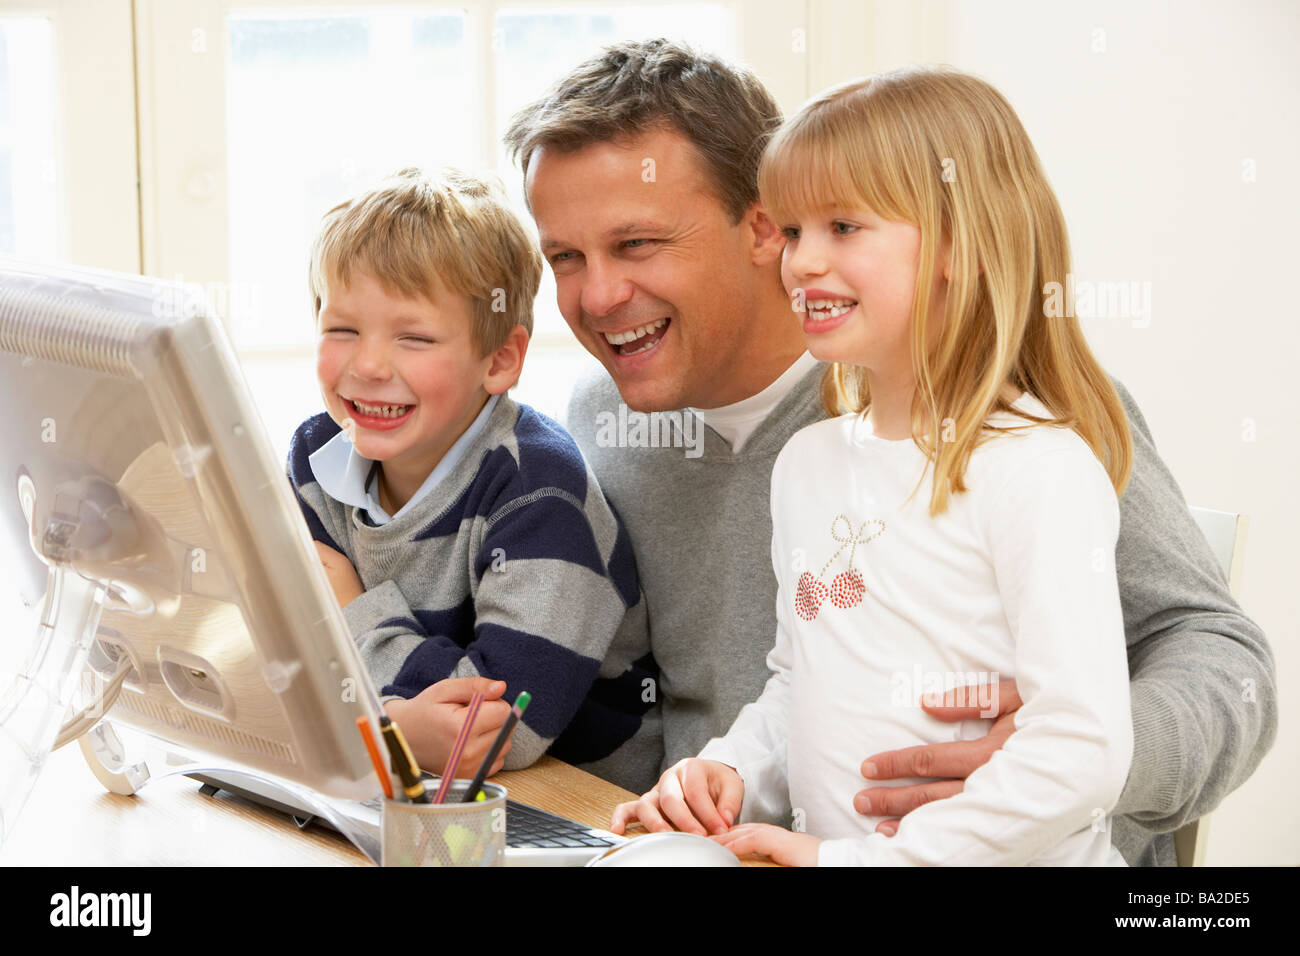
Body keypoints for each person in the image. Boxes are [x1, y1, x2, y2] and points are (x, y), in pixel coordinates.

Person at [504, 39, 1276, 864]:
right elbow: (659, 693)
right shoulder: (603, 420)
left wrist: (1083, 753)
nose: (594, 297)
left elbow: (1221, 662)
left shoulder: (1033, 432)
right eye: (565, 258)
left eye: (637, 244)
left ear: (758, 226)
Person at [619, 65, 1142, 866]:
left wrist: (863, 861)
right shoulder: (809, 463)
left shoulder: (1036, 468)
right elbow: (801, 680)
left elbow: (1080, 750)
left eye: (844, 228)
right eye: (793, 232)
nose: (800, 263)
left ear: (959, 245)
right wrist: (729, 767)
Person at [285, 167, 657, 782]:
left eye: (414, 338)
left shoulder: (538, 490)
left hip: (577, 809)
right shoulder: (316, 454)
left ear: (500, 360)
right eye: (342, 329)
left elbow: (501, 731)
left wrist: (353, 613)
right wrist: (393, 730)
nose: (369, 364)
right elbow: (291, 662)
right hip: (413, 785)